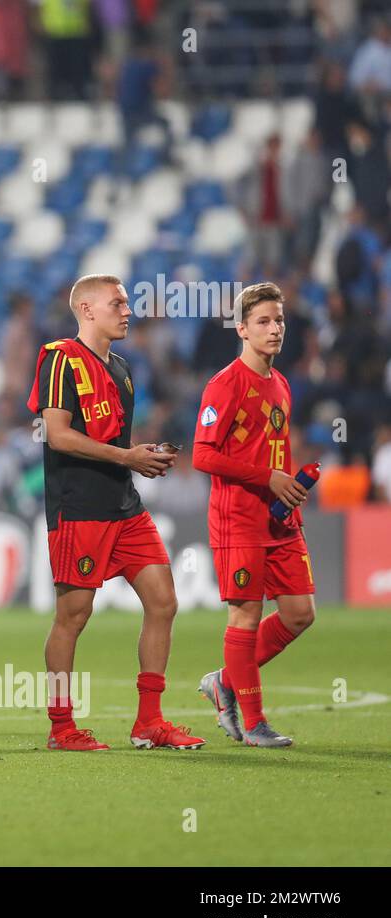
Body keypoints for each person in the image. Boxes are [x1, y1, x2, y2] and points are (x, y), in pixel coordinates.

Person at [26, 273, 205, 751]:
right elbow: (58, 435)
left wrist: (139, 454)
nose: (128, 311)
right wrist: (127, 457)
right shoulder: (60, 360)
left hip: (123, 506)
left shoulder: (123, 369)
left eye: (127, 303)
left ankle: (150, 721)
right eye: (117, 303)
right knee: (74, 614)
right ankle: (62, 728)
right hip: (78, 507)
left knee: (163, 601)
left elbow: (109, 441)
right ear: (86, 310)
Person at [193, 283, 316, 748]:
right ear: (242, 329)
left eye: (279, 320)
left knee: (300, 613)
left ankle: (224, 680)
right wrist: (268, 478)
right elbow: (203, 455)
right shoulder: (224, 385)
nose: (274, 329)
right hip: (238, 520)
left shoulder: (281, 383)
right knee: (245, 616)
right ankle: (254, 721)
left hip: (280, 519)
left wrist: (288, 483)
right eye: (263, 321)